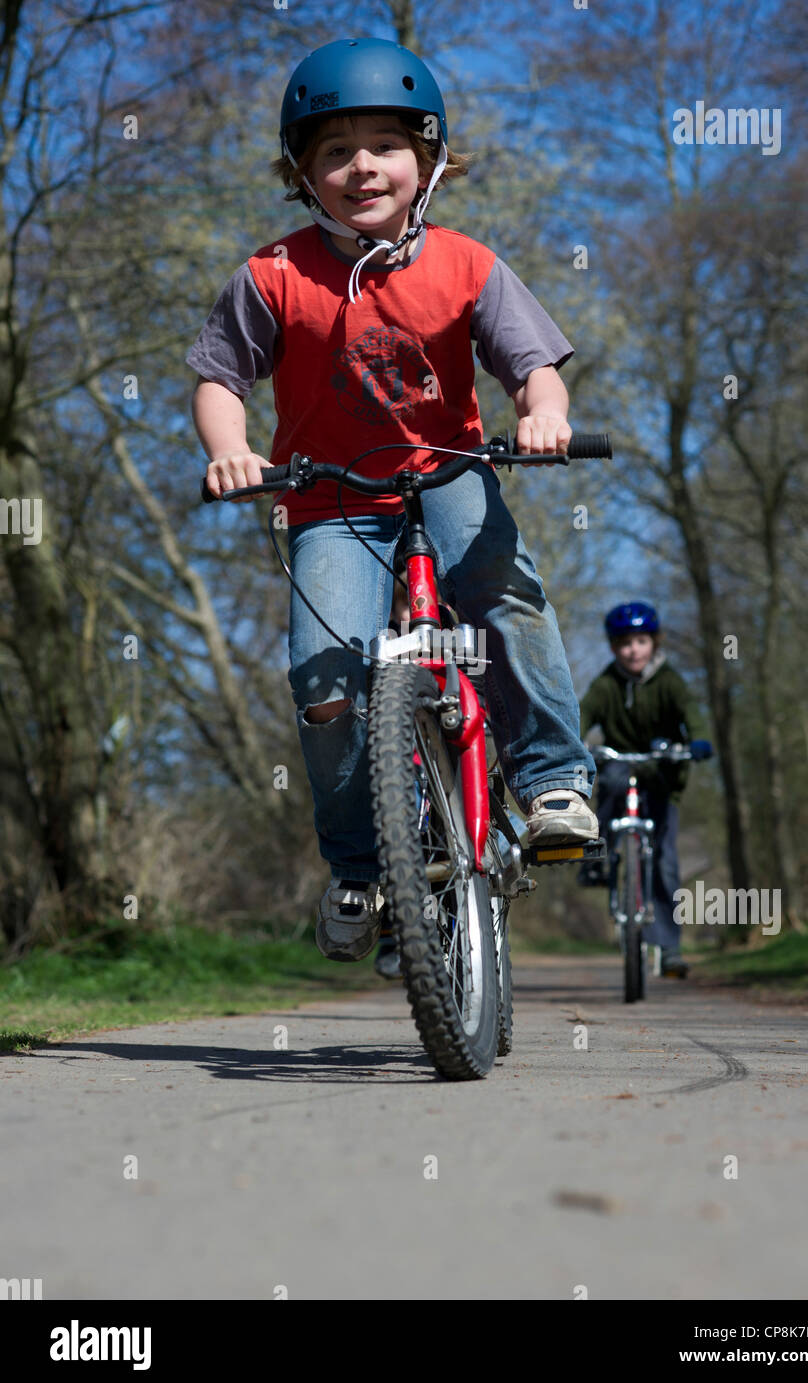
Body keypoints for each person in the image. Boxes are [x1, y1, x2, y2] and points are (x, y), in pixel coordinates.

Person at [186, 37, 599, 964]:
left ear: (430, 160)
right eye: (333, 149)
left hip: (449, 470)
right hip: (330, 499)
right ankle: (361, 867)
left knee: (501, 590)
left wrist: (543, 417)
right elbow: (220, 378)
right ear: (302, 173)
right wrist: (230, 452)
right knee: (326, 680)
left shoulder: (465, 266)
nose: (361, 165)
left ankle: (553, 782)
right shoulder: (273, 276)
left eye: (385, 144)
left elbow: (534, 367)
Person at [579, 602, 713, 977]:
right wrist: (571, 740)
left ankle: (669, 949)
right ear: (613, 647)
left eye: (640, 641)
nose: (633, 650)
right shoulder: (606, 684)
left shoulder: (670, 681)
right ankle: (597, 857)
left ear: (653, 642)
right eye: (624, 643)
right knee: (609, 783)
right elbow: (583, 713)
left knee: (667, 864)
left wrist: (698, 741)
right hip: (620, 764)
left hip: (661, 772)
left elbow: (692, 713)